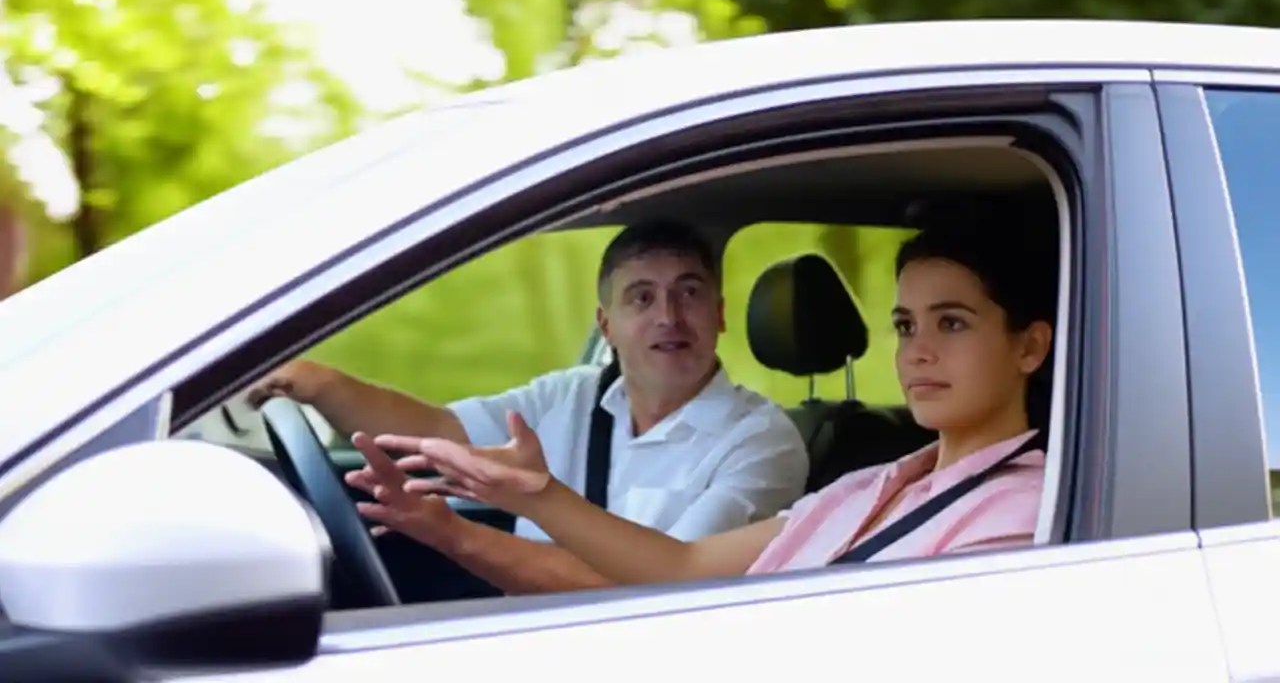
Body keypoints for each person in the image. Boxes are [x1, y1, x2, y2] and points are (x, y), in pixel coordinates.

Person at [355, 222, 1057, 583]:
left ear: (1029, 347)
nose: (917, 353)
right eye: (906, 326)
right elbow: (681, 570)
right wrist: (535, 495)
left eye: (952, 323)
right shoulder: (872, 483)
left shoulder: (1026, 514)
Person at [249, 219, 808, 593]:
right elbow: (440, 432)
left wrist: (454, 535)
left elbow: (653, 589)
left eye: (689, 293)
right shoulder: (567, 396)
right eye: (641, 297)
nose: (668, 316)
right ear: (605, 325)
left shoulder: (761, 440)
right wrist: (320, 383)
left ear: (720, 314)